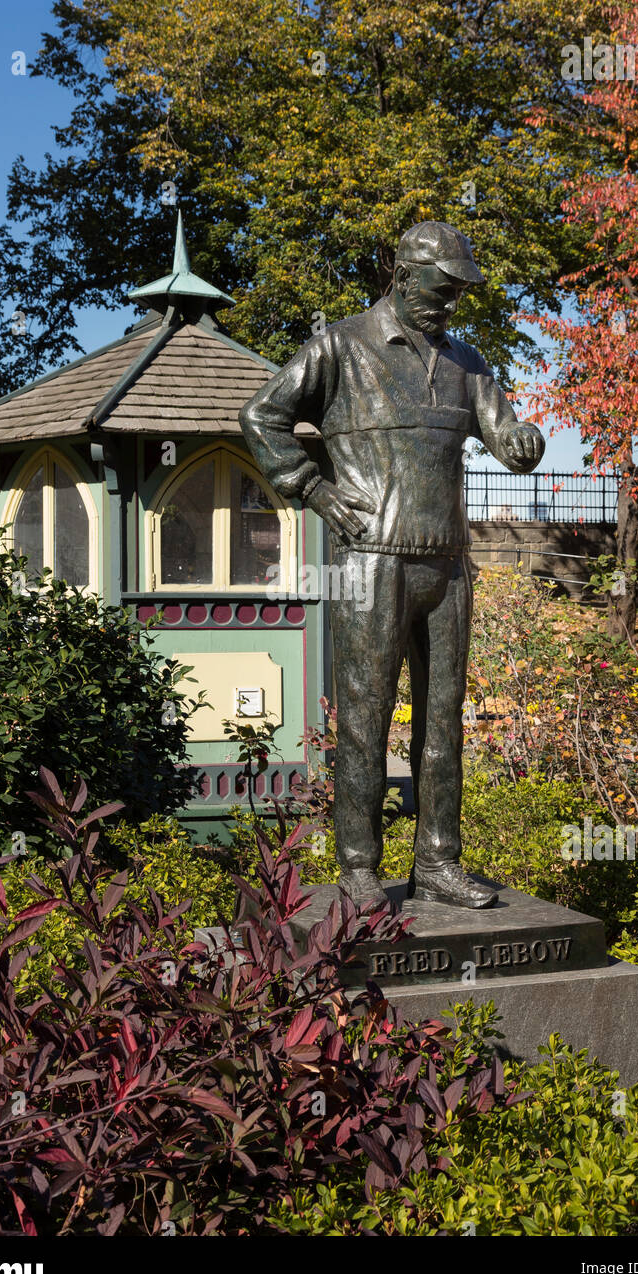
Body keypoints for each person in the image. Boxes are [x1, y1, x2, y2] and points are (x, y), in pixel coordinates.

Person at [240, 222, 545, 908]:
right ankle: (357, 866)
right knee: (365, 716)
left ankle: (438, 861)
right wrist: (313, 490)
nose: (450, 304)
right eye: (441, 289)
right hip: (371, 560)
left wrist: (522, 440)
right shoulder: (341, 347)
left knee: (443, 722)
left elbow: (506, 437)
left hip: (447, 565)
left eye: (459, 293)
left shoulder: (467, 362)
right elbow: (261, 416)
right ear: (404, 277)